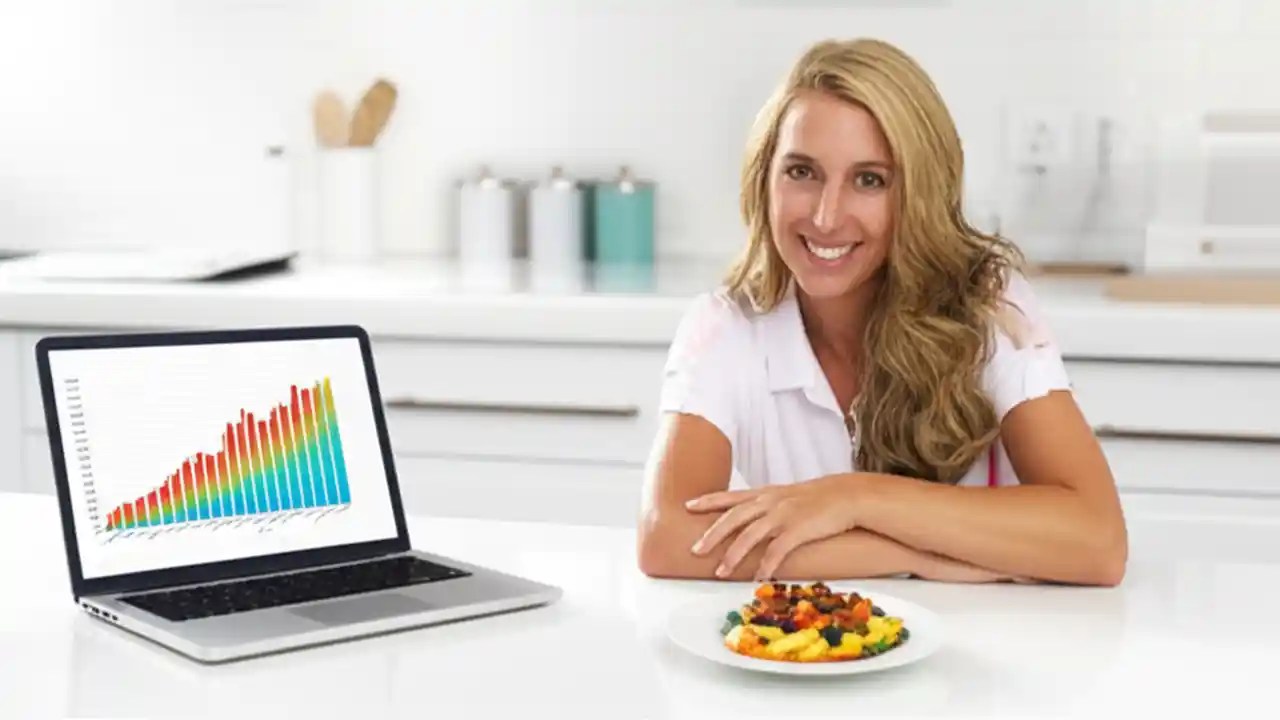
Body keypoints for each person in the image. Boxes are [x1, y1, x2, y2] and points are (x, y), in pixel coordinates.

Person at [636, 38, 1127, 586]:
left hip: (985, 654)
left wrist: (855, 498)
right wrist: (916, 557)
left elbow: (1098, 542)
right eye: (802, 172)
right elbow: (668, 537)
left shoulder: (992, 309)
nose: (826, 217)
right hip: (812, 663)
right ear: (764, 179)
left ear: (916, 196)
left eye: (869, 180)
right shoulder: (726, 328)